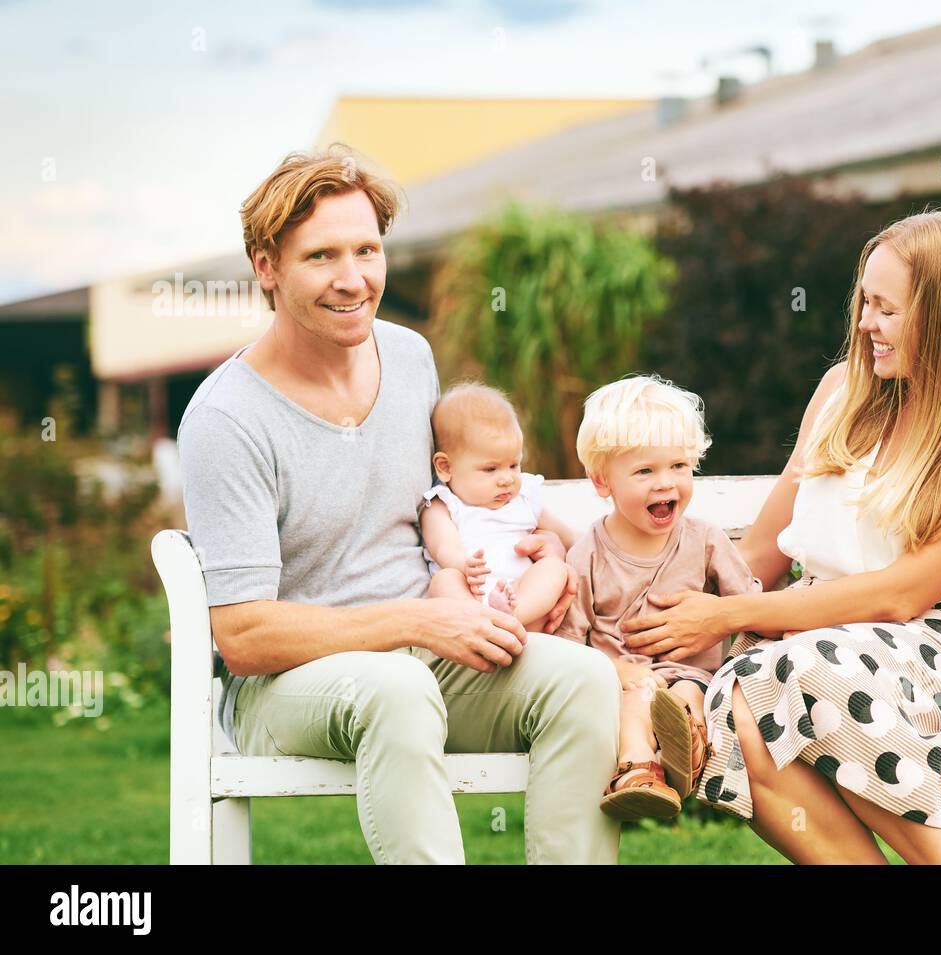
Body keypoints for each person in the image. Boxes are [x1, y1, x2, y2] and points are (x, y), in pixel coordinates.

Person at [177, 145, 621, 865]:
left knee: (584, 680)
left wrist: (538, 544)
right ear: (267, 267)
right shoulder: (227, 419)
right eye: (321, 256)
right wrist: (418, 619)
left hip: (430, 655)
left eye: (367, 251)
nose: (353, 280)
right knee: (399, 683)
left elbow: (448, 501)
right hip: (287, 687)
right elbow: (244, 636)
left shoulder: (412, 359)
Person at [620, 210, 941, 864]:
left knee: (804, 666)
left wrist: (733, 614)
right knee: (737, 706)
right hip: (811, 639)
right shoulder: (841, 395)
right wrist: (669, 616)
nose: (864, 324)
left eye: (886, 309)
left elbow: (904, 595)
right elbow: (762, 554)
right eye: (864, 303)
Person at [556, 375, 762, 821]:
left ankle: (685, 741)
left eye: (679, 466)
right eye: (645, 471)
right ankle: (639, 772)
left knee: (687, 692)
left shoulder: (705, 540)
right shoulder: (587, 553)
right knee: (637, 703)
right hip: (620, 687)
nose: (665, 484)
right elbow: (567, 645)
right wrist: (621, 670)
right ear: (601, 480)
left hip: (693, 678)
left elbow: (748, 606)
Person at [421, 381, 570, 630]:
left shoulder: (524, 498)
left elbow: (569, 538)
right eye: (491, 469)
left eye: (514, 465)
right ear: (446, 468)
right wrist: (463, 564)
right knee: (444, 581)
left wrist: (565, 551)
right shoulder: (443, 505)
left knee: (555, 568)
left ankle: (509, 617)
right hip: (471, 599)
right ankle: (485, 622)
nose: (507, 479)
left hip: (524, 600)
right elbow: (444, 548)